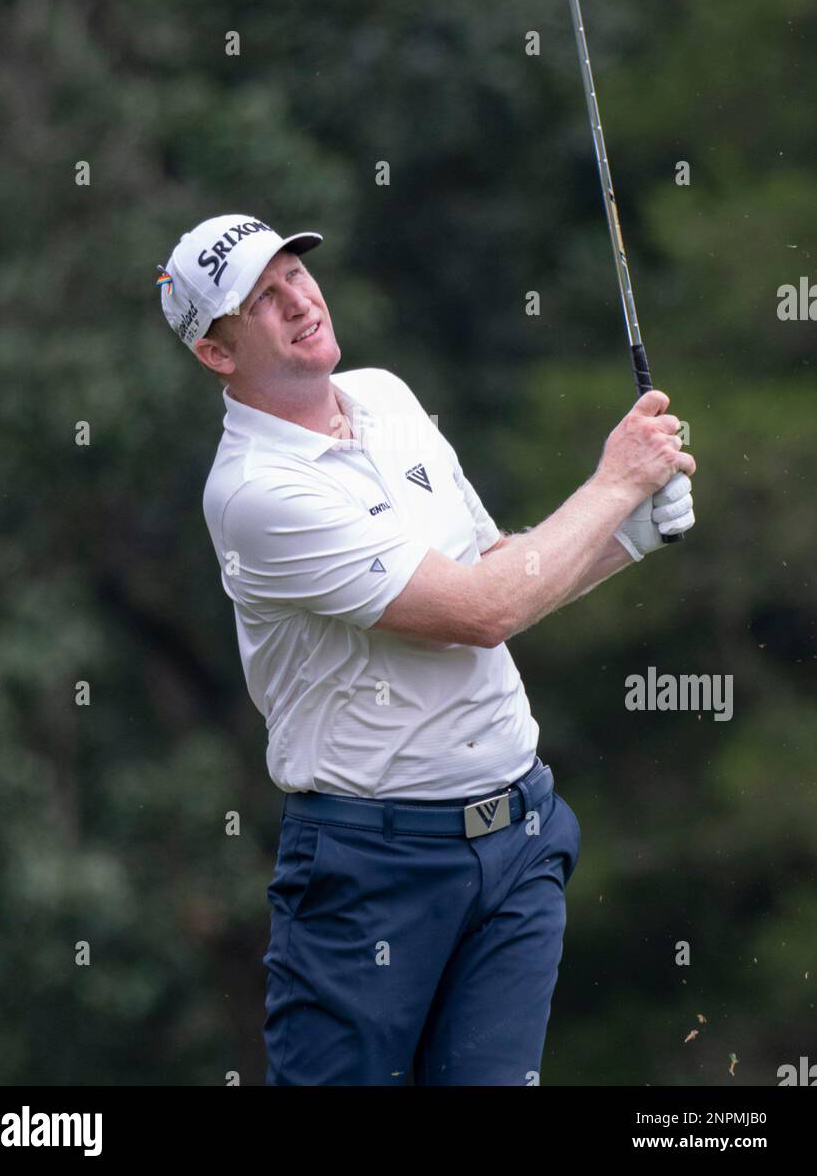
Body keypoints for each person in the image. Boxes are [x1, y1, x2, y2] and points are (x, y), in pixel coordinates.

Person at [156, 212, 696, 1086]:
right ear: (217, 354)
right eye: (262, 299)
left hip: (518, 839)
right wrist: (614, 484)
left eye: (296, 272)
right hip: (373, 870)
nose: (299, 299)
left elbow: (493, 566)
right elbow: (481, 611)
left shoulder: (389, 397)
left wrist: (623, 537)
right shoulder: (257, 492)